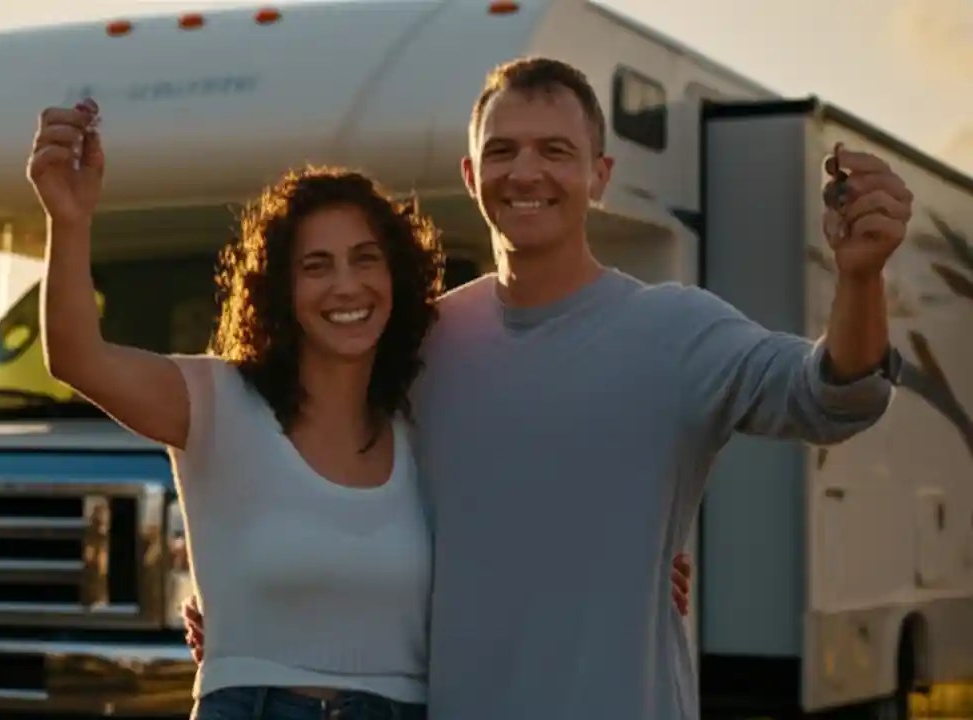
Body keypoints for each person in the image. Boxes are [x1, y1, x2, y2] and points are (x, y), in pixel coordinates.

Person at [184, 57, 913, 719]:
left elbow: (831, 395)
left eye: (555, 151)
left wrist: (860, 277)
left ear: (599, 174)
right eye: (502, 150)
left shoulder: (678, 332)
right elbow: (323, 477)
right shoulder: (417, 345)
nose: (525, 172)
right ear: (472, 176)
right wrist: (252, 607)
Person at [27, 94, 694, 720]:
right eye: (316, 265)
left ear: (395, 278)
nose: (346, 285)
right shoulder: (216, 400)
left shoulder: (427, 422)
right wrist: (69, 217)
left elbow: (523, 538)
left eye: (365, 259)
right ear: (281, 291)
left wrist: (633, 561)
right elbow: (77, 356)